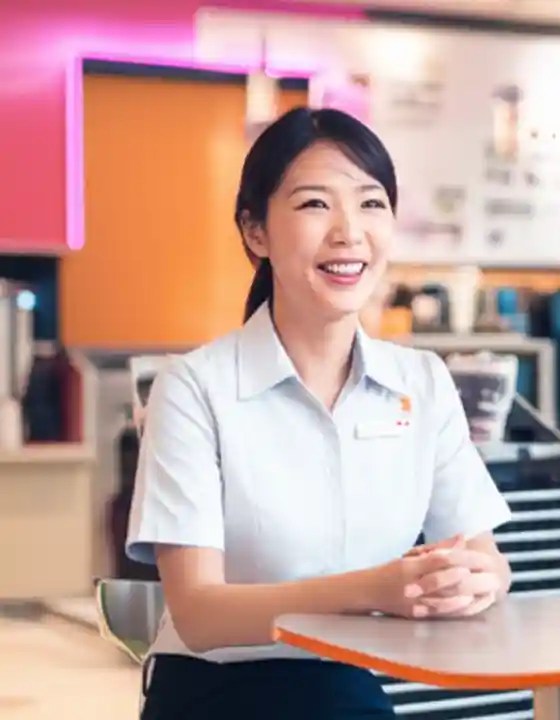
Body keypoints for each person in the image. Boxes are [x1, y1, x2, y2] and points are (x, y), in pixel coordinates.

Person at [126, 107, 514, 720]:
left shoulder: (423, 384)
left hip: (343, 689)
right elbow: (199, 614)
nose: (349, 233)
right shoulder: (194, 387)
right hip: (213, 693)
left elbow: (484, 555)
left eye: (371, 203)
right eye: (314, 205)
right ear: (256, 232)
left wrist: (480, 579)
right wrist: (377, 590)